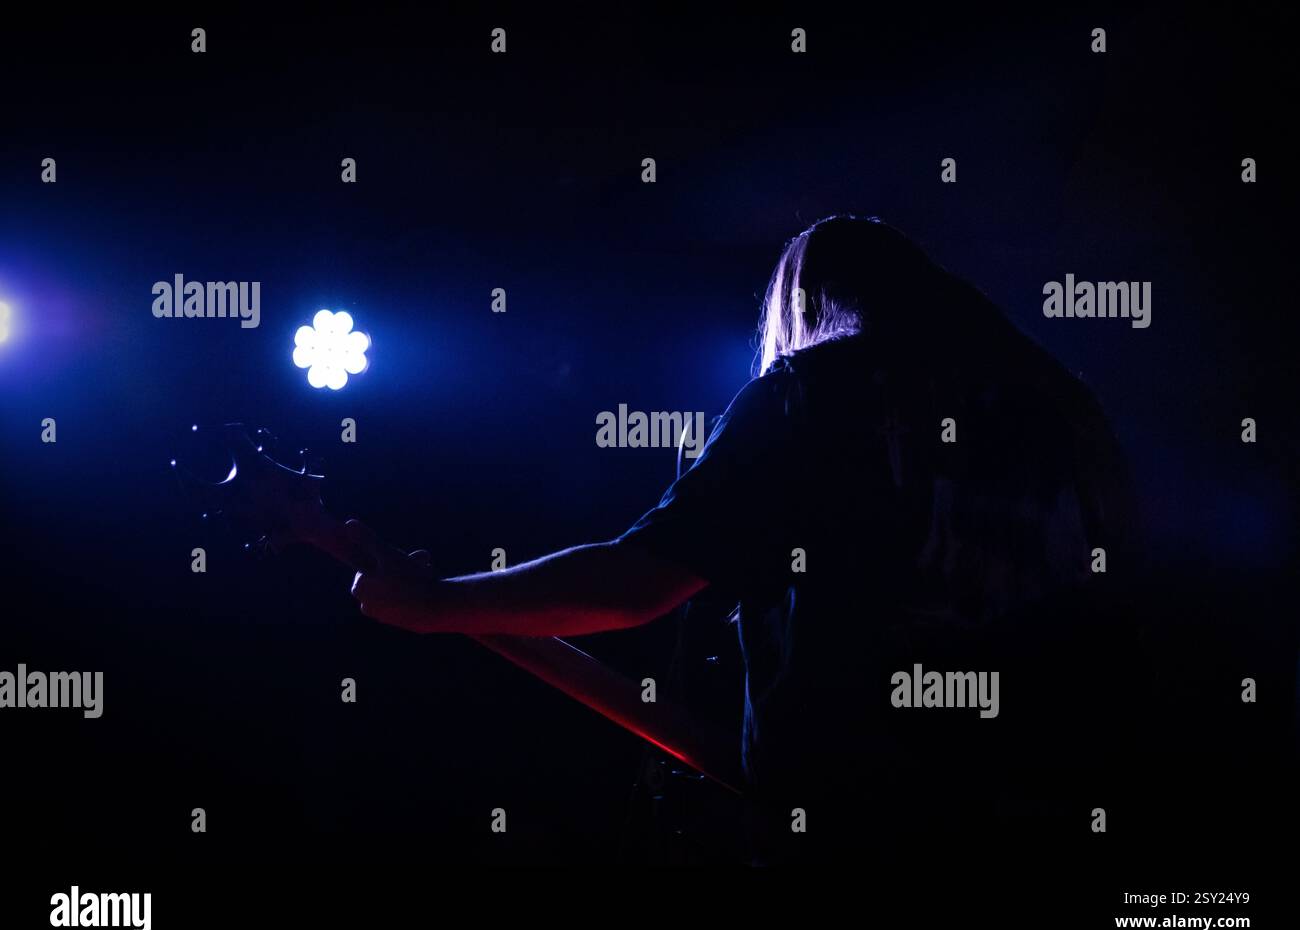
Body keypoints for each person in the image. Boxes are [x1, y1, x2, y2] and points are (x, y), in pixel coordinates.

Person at [346, 215, 1135, 863]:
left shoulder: (813, 393)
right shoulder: (1066, 419)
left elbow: (636, 583)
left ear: (804, 306)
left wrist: (436, 604)